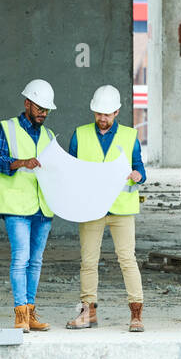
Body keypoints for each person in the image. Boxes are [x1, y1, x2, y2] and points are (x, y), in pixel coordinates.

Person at [65, 84, 146, 332]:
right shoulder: (80, 135)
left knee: (127, 260)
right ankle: (88, 313)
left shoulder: (130, 136)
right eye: (99, 113)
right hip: (91, 208)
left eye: (107, 114)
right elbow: (70, 169)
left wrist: (138, 176)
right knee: (88, 261)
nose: (102, 118)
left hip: (121, 209)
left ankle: (136, 315)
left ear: (117, 112)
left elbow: (140, 168)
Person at [0, 79, 57, 332]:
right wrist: (23, 163)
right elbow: (0, 161)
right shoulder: (6, 128)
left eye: (46, 109)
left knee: (36, 260)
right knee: (21, 258)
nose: (43, 113)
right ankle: (20, 314)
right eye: (39, 107)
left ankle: (30, 312)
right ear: (27, 103)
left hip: (43, 207)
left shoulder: (49, 136)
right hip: (17, 205)